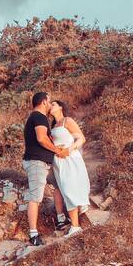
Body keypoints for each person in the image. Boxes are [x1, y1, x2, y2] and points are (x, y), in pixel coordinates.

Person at [22, 90, 69, 247]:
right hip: (37, 163)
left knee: (57, 184)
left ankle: (61, 218)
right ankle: (33, 234)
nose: (49, 105)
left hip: (43, 163)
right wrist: (57, 150)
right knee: (35, 197)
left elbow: (45, 139)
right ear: (43, 102)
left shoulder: (37, 118)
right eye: (49, 102)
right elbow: (41, 139)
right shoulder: (39, 116)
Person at [49, 99, 90, 234]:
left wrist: (69, 149)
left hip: (70, 159)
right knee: (65, 189)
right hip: (58, 162)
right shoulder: (53, 127)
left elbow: (81, 138)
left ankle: (75, 226)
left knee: (70, 189)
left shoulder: (67, 121)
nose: (50, 106)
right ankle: (74, 224)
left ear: (60, 107)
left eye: (53, 104)